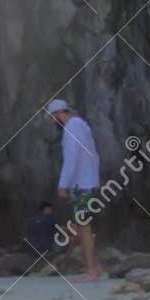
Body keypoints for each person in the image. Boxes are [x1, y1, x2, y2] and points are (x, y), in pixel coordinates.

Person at [45, 99, 103, 282]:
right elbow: (93, 156)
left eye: (53, 117)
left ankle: (91, 271)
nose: (54, 121)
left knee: (84, 228)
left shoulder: (72, 128)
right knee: (82, 226)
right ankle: (95, 266)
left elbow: (72, 158)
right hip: (87, 182)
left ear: (57, 114)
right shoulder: (82, 125)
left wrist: (64, 184)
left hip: (81, 185)